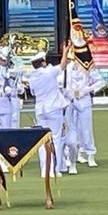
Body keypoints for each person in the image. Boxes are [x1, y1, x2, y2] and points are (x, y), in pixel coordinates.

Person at [28, 46, 71, 177]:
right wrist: (65, 52)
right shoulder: (48, 72)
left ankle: (45, 169)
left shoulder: (32, 77)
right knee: (56, 138)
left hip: (40, 110)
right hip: (53, 108)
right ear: (43, 62)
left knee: (43, 140)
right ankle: (54, 168)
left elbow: (33, 92)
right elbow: (63, 65)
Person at [64, 58, 105, 168]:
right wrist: (69, 93)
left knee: (86, 128)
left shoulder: (88, 66)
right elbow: (63, 83)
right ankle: (71, 154)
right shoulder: (67, 66)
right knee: (70, 128)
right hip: (70, 100)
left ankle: (90, 154)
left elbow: (101, 81)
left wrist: (87, 89)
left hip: (84, 99)